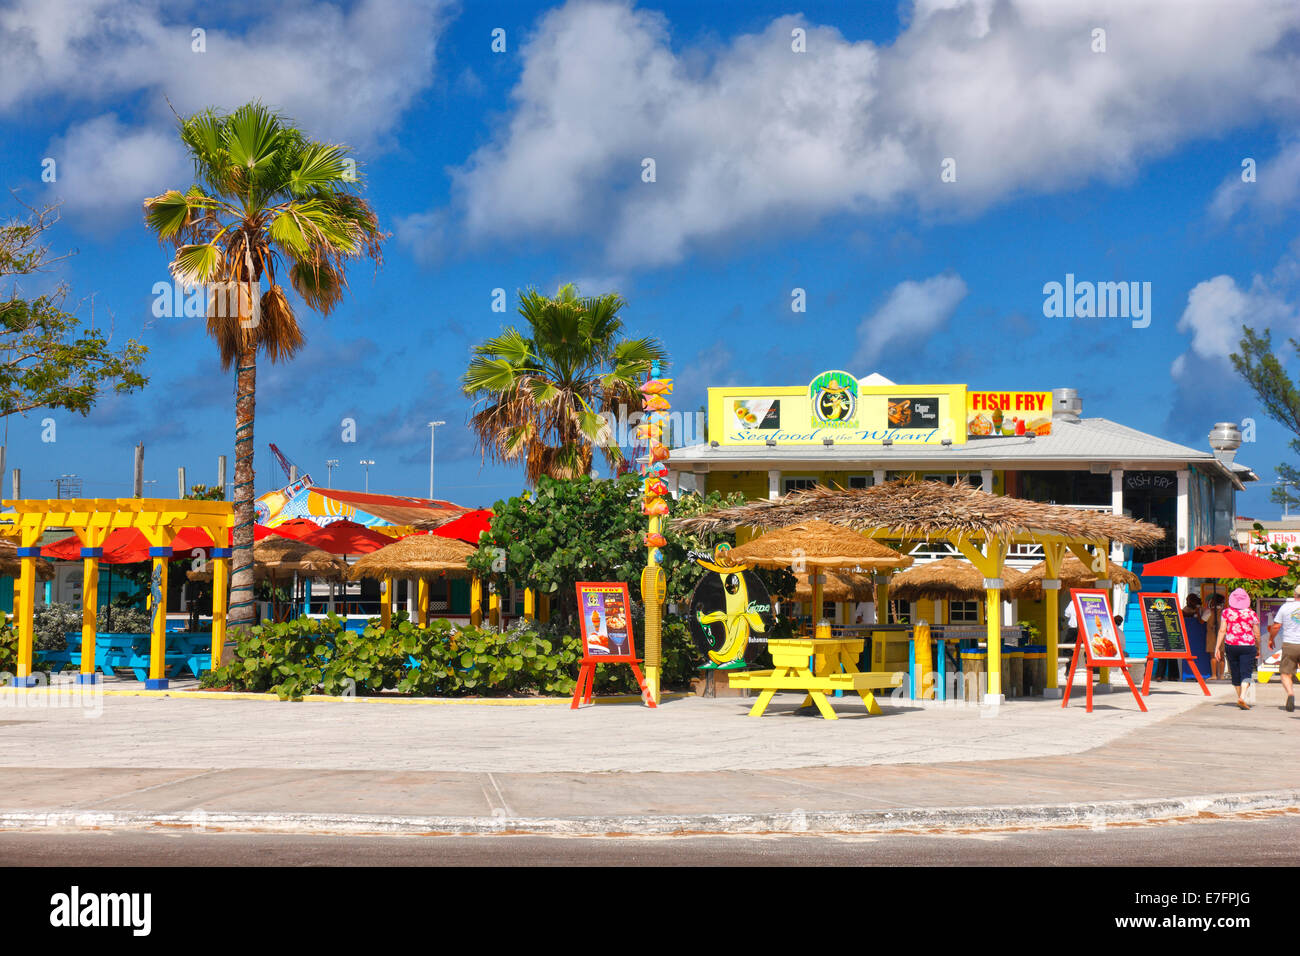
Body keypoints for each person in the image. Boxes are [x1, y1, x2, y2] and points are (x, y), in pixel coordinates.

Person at [1216, 588, 1260, 710]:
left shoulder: (1226, 612)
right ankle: (1242, 697)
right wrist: (1258, 647)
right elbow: (1256, 634)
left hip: (1231, 646)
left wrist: (1217, 648)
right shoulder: (1251, 614)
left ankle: (1240, 697)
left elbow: (1222, 630)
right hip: (1248, 646)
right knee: (1246, 672)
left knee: (1235, 672)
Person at [1266, 584, 1300, 712]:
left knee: (1286, 673)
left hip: (1290, 644)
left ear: (1294, 594)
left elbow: (1276, 626)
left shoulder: (1286, 607)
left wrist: (1271, 639)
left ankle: (1290, 694)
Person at [1203, 593, 1225, 679]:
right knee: (1222, 655)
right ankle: (1222, 675)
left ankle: (1214, 675)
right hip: (1222, 635)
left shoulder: (1208, 611)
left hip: (1211, 635)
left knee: (1213, 655)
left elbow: (1202, 620)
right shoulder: (1224, 612)